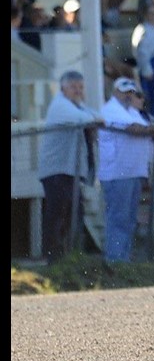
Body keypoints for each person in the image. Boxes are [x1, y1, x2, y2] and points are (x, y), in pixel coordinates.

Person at [98, 77, 154, 264]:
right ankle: (114, 259)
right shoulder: (111, 109)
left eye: (131, 92)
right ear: (115, 92)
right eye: (124, 91)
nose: (128, 95)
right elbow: (134, 129)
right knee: (119, 218)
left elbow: (146, 127)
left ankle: (123, 259)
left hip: (132, 172)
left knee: (128, 220)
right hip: (117, 173)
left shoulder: (132, 112)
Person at [38, 71, 102, 262]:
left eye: (81, 87)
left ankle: (70, 256)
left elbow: (95, 116)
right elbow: (89, 119)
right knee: (57, 214)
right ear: (63, 88)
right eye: (73, 87)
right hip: (56, 170)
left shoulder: (78, 106)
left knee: (73, 213)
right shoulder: (60, 105)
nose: (78, 91)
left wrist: (96, 119)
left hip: (70, 170)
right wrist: (96, 120)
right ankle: (53, 259)